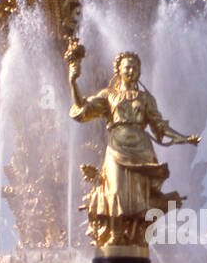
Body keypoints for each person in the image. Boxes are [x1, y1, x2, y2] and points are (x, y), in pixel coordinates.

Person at [66, 46, 199, 247]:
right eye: (127, 67)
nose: (131, 71)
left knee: (139, 194)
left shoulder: (146, 99)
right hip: (117, 146)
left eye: (135, 67)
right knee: (115, 190)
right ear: (118, 70)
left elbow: (160, 127)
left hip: (141, 149)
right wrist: (73, 80)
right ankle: (116, 234)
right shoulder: (109, 95)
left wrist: (184, 138)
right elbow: (83, 108)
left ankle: (138, 235)